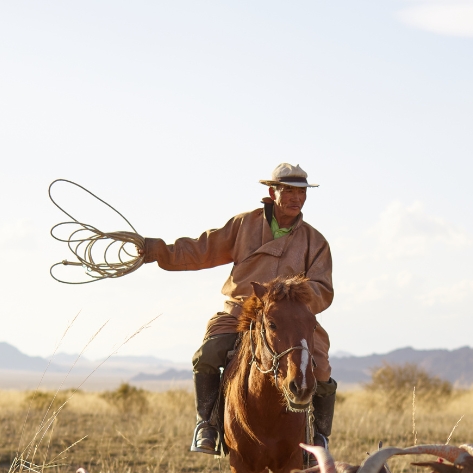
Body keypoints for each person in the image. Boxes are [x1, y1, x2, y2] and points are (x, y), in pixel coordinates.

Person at [140, 163, 337, 454]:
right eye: (289, 191)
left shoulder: (315, 241)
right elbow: (203, 249)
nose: (296, 198)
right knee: (207, 355)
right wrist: (161, 252)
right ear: (273, 192)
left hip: (291, 320)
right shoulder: (243, 225)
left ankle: (319, 437)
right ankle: (206, 424)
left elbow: (323, 289)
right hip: (240, 310)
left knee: (319, 367)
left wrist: (290, 298)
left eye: (302, 192)